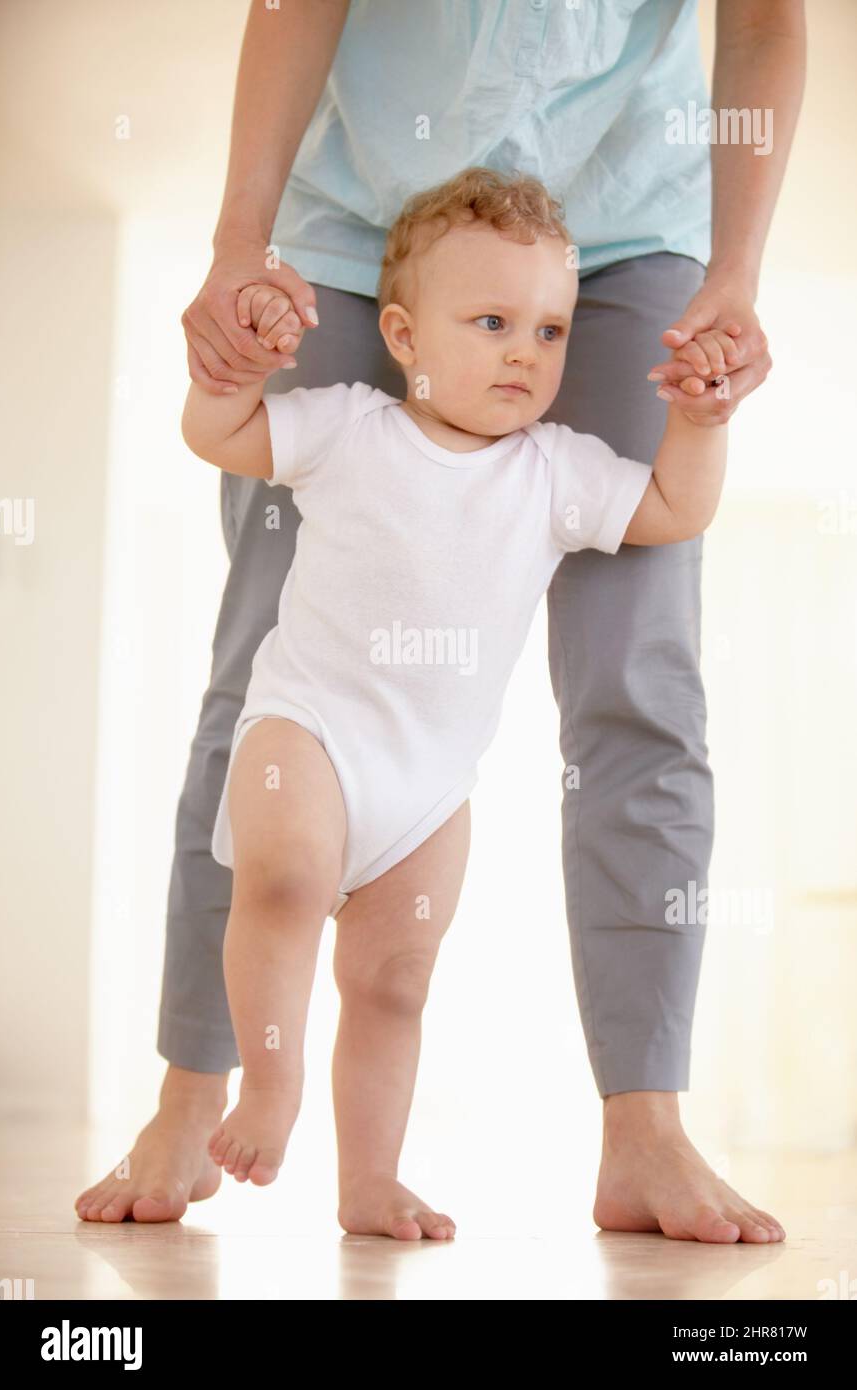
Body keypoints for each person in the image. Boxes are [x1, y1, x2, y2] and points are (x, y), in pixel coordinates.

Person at [76, 0, 804, 1242]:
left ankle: (643, 1129)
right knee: (260, 666)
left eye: (539, 350)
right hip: (360, 225)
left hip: (622, 230)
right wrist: (239, 245)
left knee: (640, 683)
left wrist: (730, 283)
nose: (522, 361)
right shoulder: (352, 398)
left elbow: (763, 18)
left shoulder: (563, 439)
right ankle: (199, 1087)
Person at [182, 167, 735, 1240]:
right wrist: (234, 367)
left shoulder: (556, 472)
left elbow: (673, 508)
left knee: (392, 985)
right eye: (490, 323)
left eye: (548, 328)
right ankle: (265, 1083)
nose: (524, 353)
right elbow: (221, 435)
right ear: (402, 333)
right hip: (306, 732)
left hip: (431, 787)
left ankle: (369, 1179)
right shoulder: (348, 428)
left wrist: (700, 423)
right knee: (287, 886)